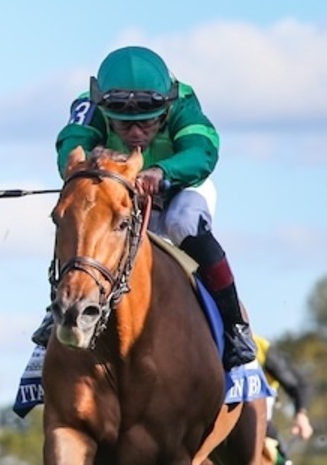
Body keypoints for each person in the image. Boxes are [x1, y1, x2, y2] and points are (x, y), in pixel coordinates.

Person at [35, 45, 257, 369]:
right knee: (84, 220)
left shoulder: (183, 102)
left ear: (165, 109)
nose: (136, 133)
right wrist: (97, 174)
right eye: (124, 125)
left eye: (146, 122)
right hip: (119, 192)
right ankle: (61, 303)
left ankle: (235, 323)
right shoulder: (88, 105)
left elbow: (203, 151)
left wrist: (163, 172)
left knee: (183, 222)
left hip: (181, 187)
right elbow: (71, 150)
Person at [256, 334, 315, 465]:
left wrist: (301, 415)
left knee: (279, 456)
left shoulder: (260, 347)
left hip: (259, 421)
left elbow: (296, 385)